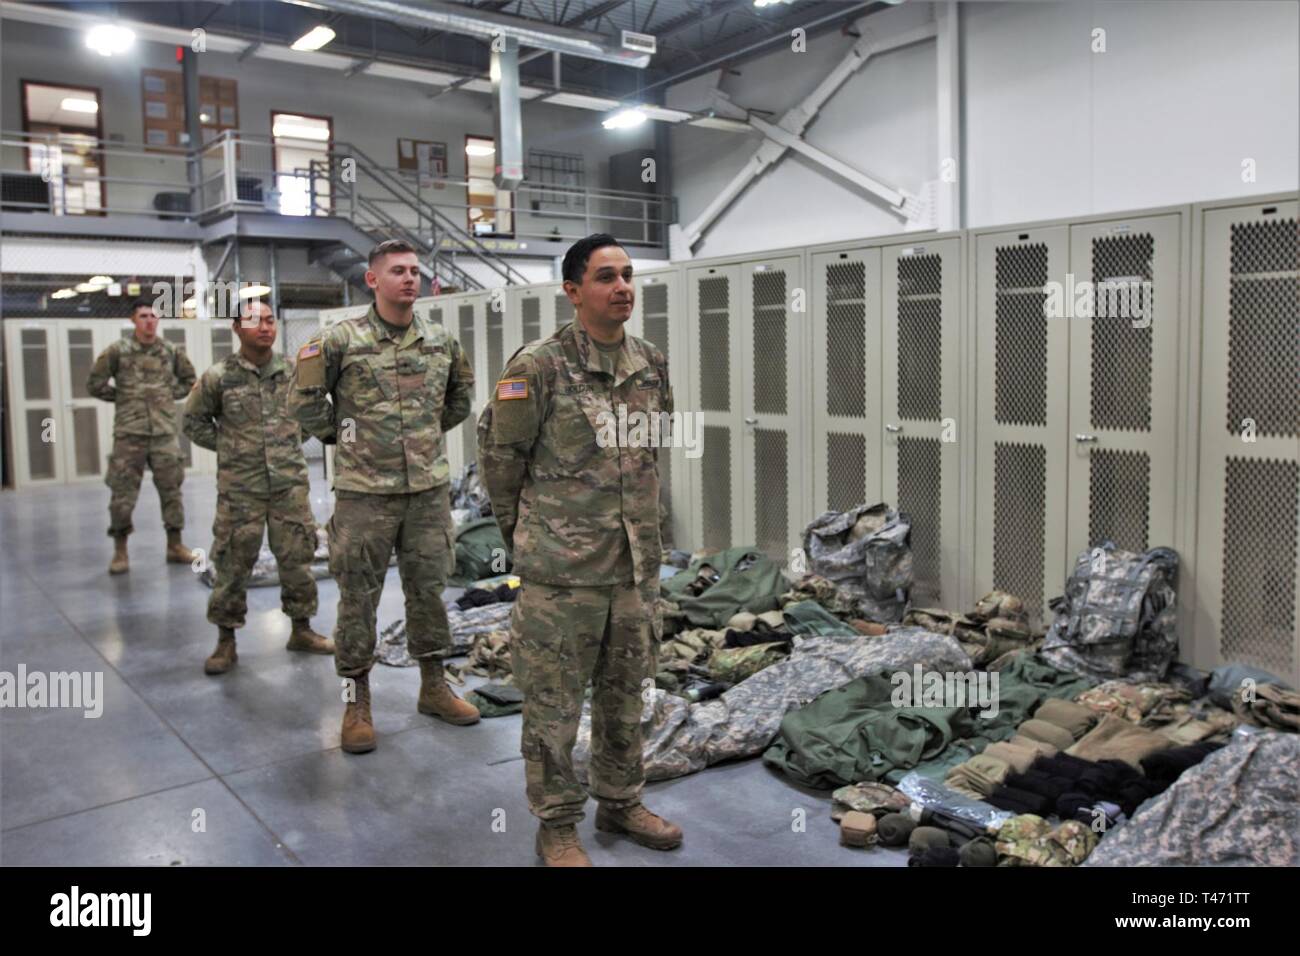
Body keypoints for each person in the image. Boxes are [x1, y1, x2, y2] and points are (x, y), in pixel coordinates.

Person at [477, 233, 682, 866]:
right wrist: (528, 538)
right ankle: (557, 824)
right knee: (554, 705)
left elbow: (650, 457)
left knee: (626, 693)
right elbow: (500, 460)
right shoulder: (537, 366)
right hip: (560, 574)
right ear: (572, 291)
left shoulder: (650, 362)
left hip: (631, 569)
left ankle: (620, 802)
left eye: (627, 275)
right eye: (605, 277)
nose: (622, 287)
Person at [289, 239, 480, 754]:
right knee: (358, 601)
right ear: (372, 280)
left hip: (426, 493)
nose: (409, 279)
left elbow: (460, 397)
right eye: (397, 271)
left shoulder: (440, 341)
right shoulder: (338, 341)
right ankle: (356, 702)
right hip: (363, 495)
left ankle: (434, 687)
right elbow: (303, 399)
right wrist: (344, 437)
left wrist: (421, 437)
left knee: (429, 594)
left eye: (415, 271)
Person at [183, 300, 335, 675]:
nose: (265, 327)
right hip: (241, 488)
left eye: (270, 320)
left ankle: (302, 629)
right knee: (233, 562)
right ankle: (226, 640)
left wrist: (285, 444)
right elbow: (193, 421)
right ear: (236, 328)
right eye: (255, 321)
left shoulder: (293, 372)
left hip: (289, 485)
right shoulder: (219, 376)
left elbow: (310, 415)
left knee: (297, 557)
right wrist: (230, 447)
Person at [87, 299, 197, 574]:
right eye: (144, 316)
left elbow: (189, 379)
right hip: (129, 435)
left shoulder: (170, 351)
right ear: (133, 320)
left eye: (153, 316)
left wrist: (166, 396)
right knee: (122, 494)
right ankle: (120, 551)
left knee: (172, 491)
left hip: (163, 433)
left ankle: (175, 545)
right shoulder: (118, 351)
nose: (150, 321)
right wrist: (124, 398)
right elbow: (95, 384)